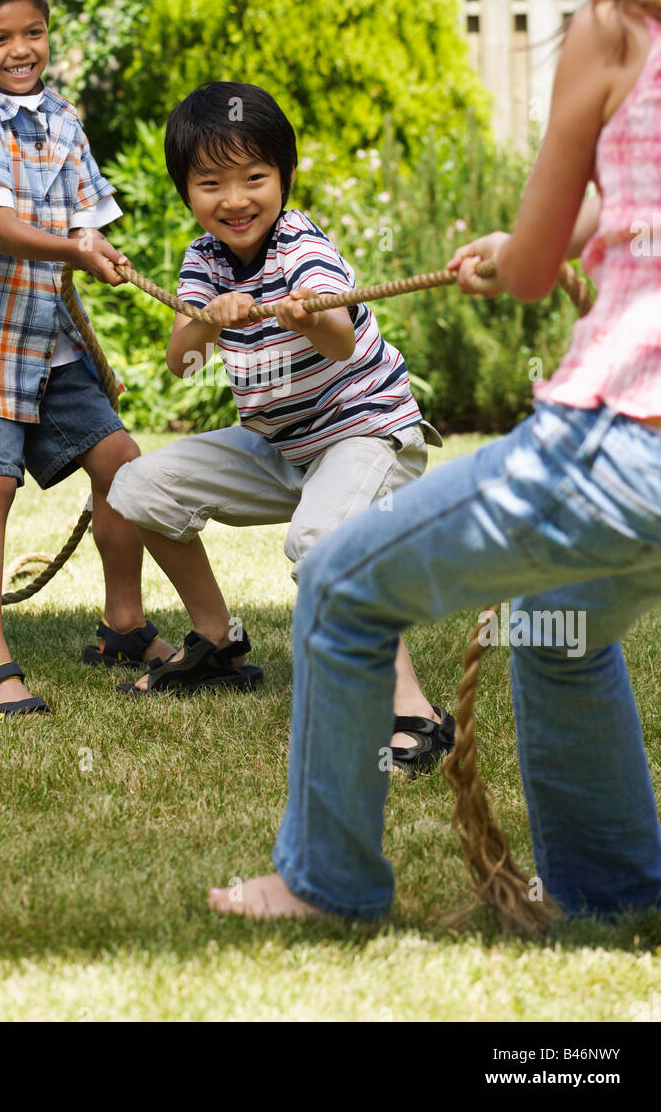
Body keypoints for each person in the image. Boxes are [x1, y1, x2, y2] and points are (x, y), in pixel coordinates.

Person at [208, 0, 661, 920]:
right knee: (555, 629)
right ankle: (613, 893)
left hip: (619, 437)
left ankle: (325, 882)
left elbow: (530, 263)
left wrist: (509, 260)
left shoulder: (613, 28)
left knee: (338, 586)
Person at [105, 80, 453, 777]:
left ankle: (415, 709)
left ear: (285, 179)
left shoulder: (302, 243)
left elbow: (342, 343)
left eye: (254, 178)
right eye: (211, 183)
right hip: (281, 448)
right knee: (138, 487)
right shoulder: (202, 260)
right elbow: (183, 361)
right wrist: (210, 317)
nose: (234, 199)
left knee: (320, 541)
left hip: (366, 434)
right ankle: (217, 643)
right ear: (187, 192)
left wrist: (307, 315)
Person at [0, 0, 175, 719]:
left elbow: (84, 213)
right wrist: (75, 249)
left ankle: (123, 626)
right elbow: (3, 228)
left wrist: (92, 243)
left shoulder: (61, 119)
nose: (20, 50)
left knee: (122, 464)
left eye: (33, 32)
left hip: (48, 339)